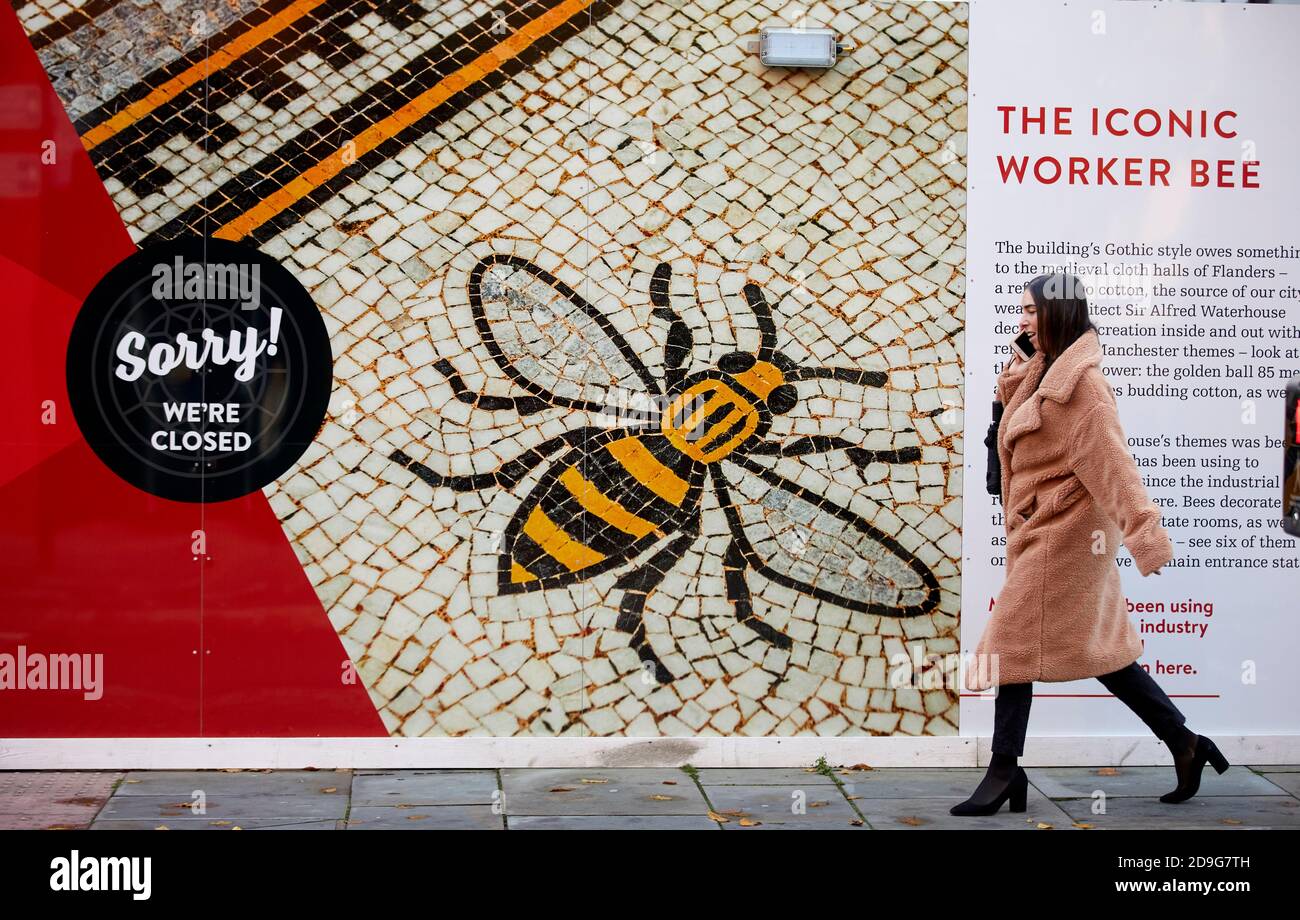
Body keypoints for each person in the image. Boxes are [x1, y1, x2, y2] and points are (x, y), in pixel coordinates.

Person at [953, 273, 1228, 816]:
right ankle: (1186, 743)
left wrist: (1144, 533)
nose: (1022, 320)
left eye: (1031, 311)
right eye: (1021, 311)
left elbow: (1114, 465)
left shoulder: (1083, 386)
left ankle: (1005, 769)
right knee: (1100, 655)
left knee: (1008, 646)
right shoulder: (1038, 369)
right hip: (1040, 528)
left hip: (1071, 534)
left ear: (1057, 314)